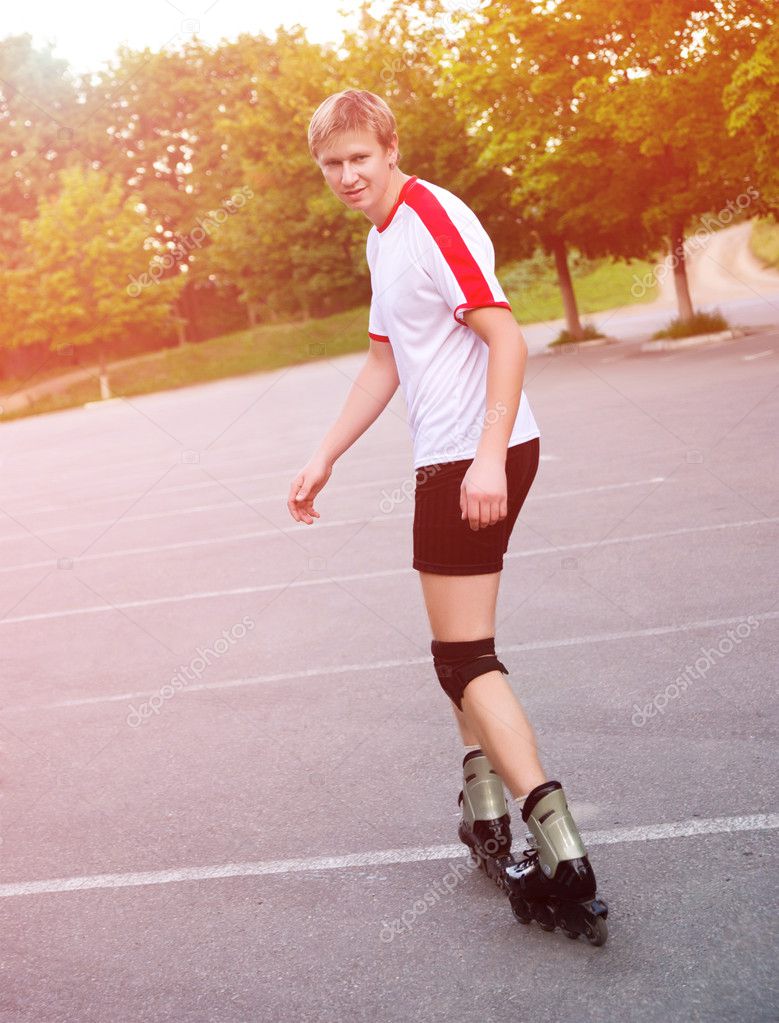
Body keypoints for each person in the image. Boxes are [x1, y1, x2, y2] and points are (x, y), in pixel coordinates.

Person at [287, 89, 607, 944]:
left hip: (474, 457)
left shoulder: (430, 216)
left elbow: (506, 336)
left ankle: (559, 845)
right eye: (332, 163)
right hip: (449, 459)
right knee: (454, 653)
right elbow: (380, 363)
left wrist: (489, 455)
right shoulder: (380, 236)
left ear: (390, 148)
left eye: (361, 156)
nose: (348, 174)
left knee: (465, 657)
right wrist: (326, 453)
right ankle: (485, 811)